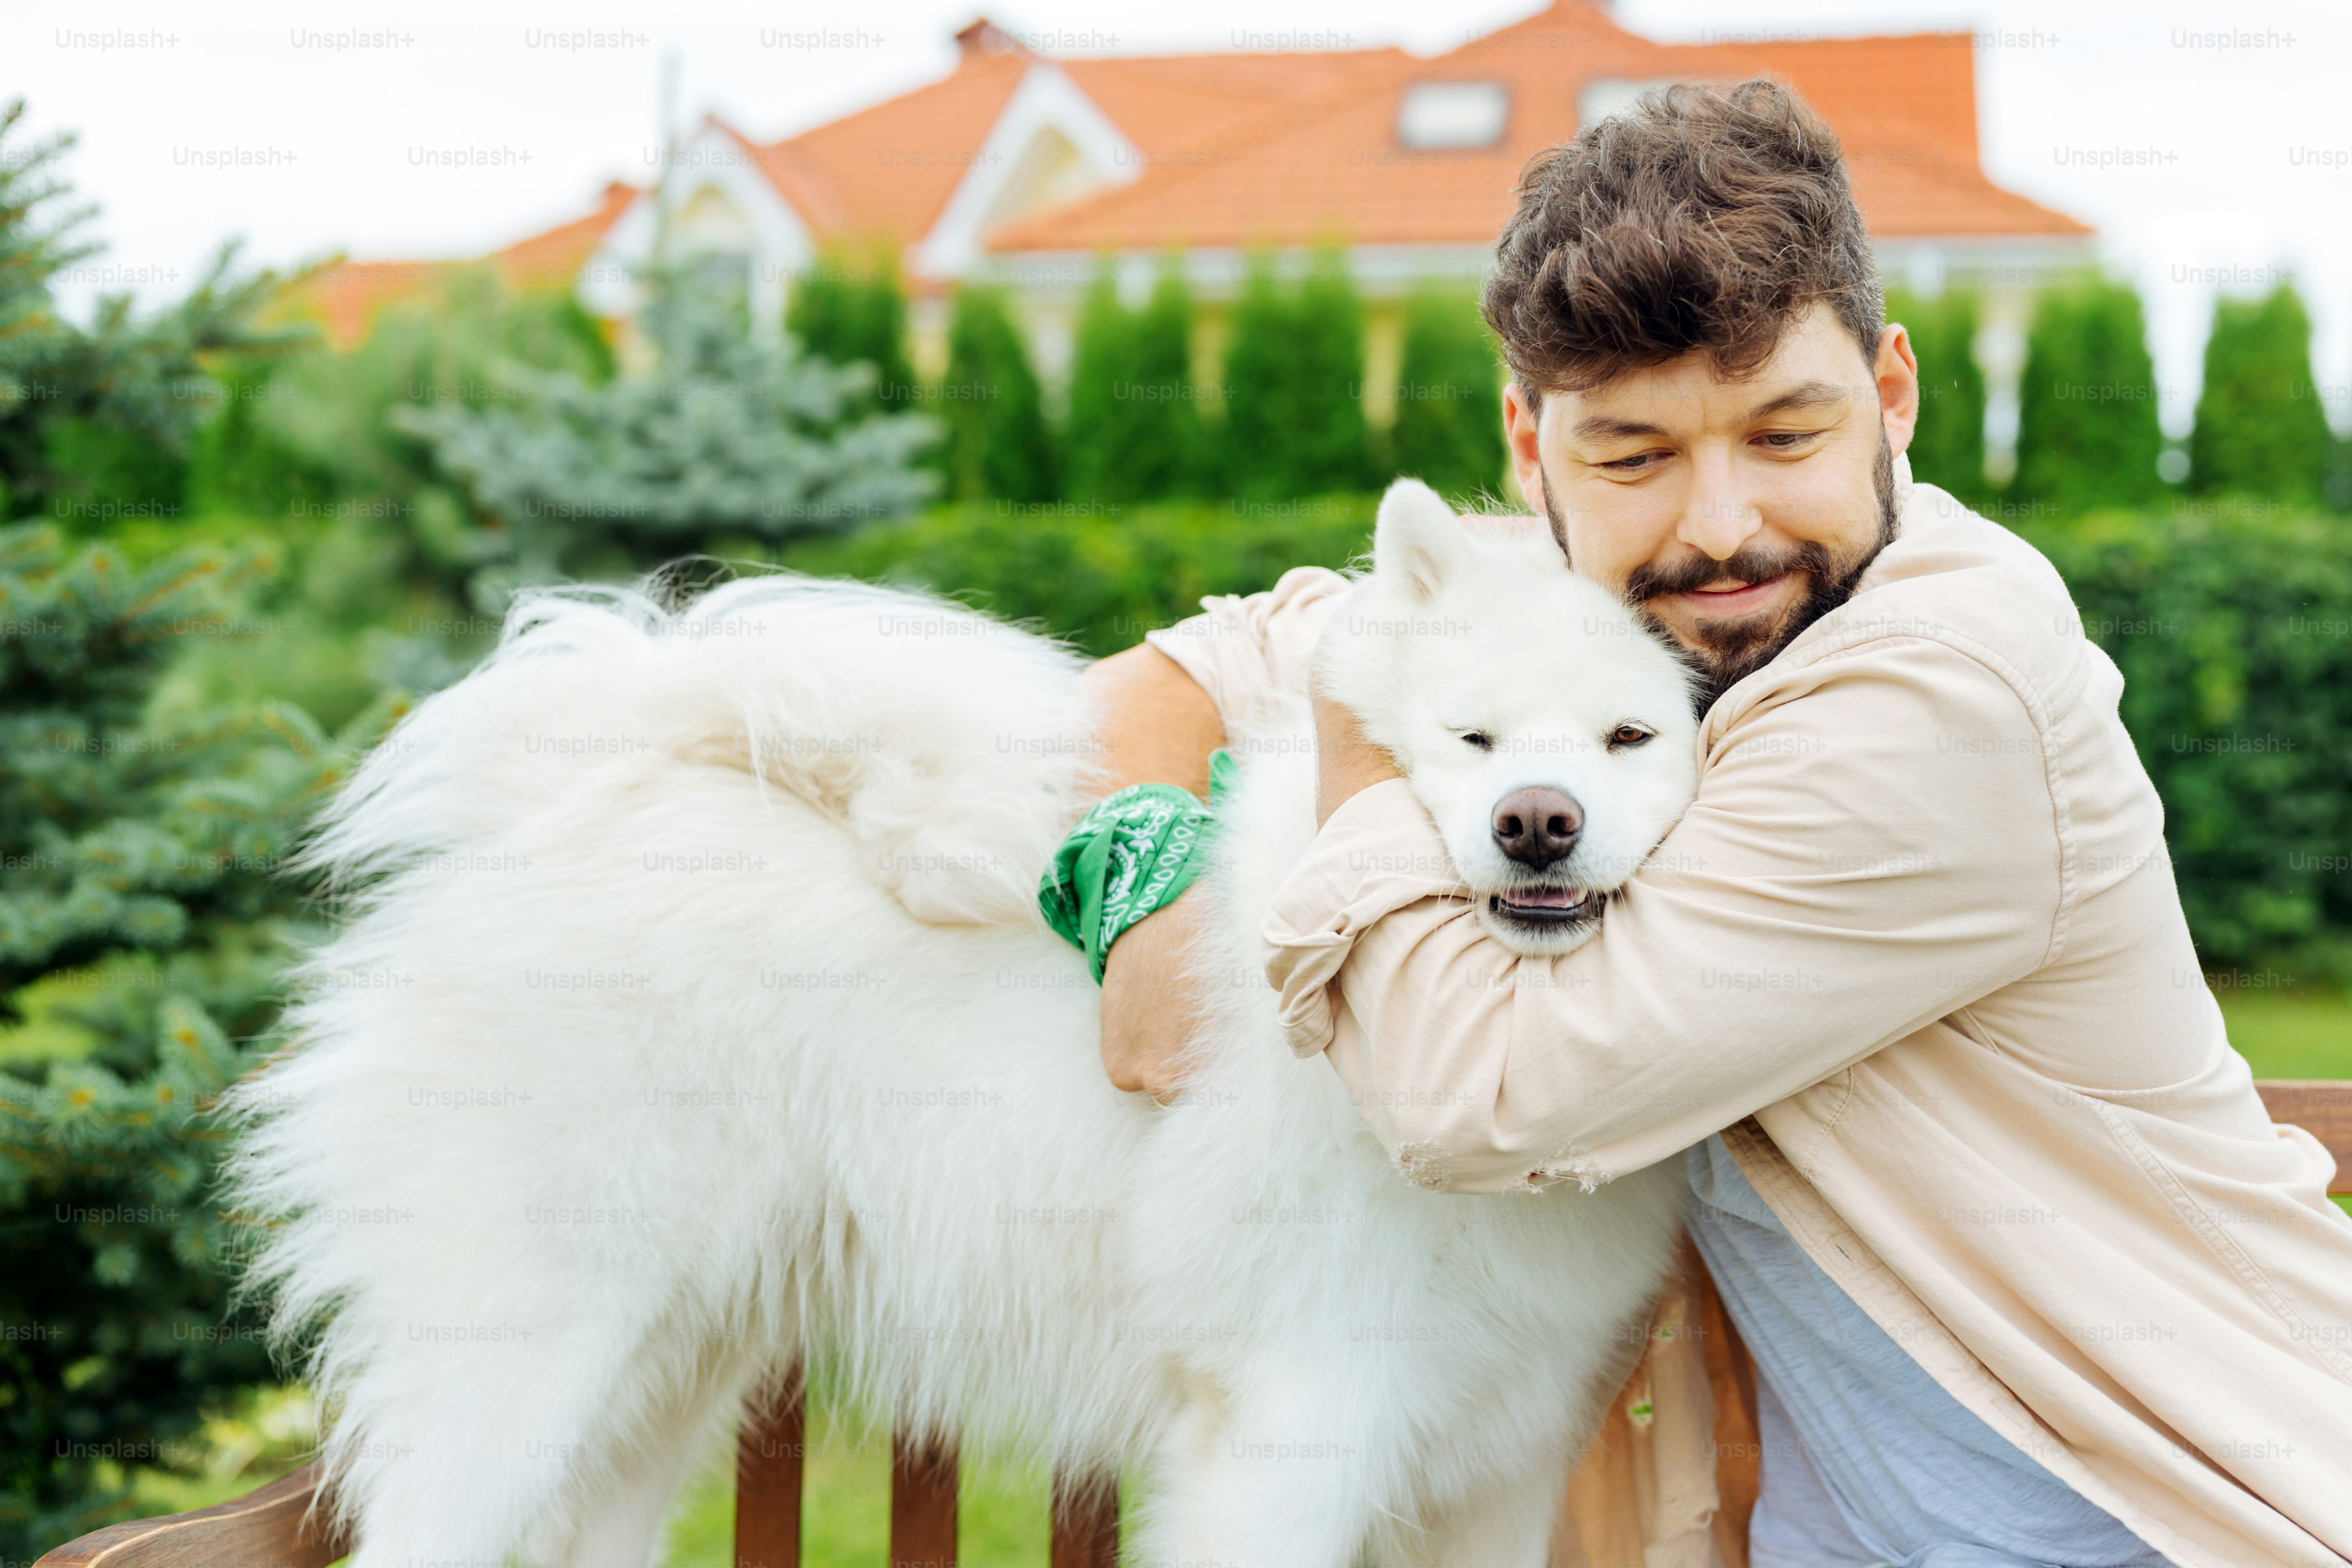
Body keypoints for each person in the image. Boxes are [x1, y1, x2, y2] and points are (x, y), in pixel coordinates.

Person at [1071, 80, 2352, 1568]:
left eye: (1786, 432)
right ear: (1530, 451)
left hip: (2169, 1522)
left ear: (1891, 396)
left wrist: (1363, 731)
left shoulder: (1946, 695)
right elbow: (1161, 676)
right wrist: (1141, 890)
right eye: (1634, 455)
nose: (1720, 527)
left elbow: (1481, 1099)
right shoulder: (1600, 618)